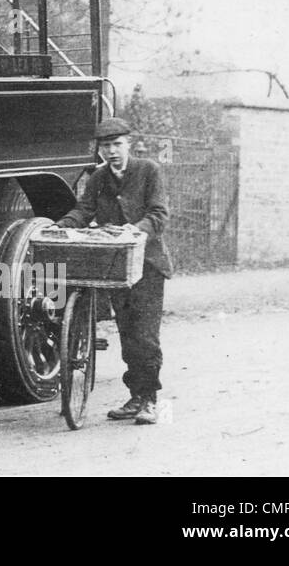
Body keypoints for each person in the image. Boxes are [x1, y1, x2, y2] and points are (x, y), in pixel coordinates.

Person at [55, 117, 170, 425]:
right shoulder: (98, 177)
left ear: (128, 144)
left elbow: (158, 215)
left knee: (145, 336)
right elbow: (84, 210)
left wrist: (133, 231)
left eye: (117, 144)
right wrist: (61, 226)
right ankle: (136, 397)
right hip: (115, 267)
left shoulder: (148, 171)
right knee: (127, 333)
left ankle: (150, 400)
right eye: (106, 146)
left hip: (147, 266)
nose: (112, 151)